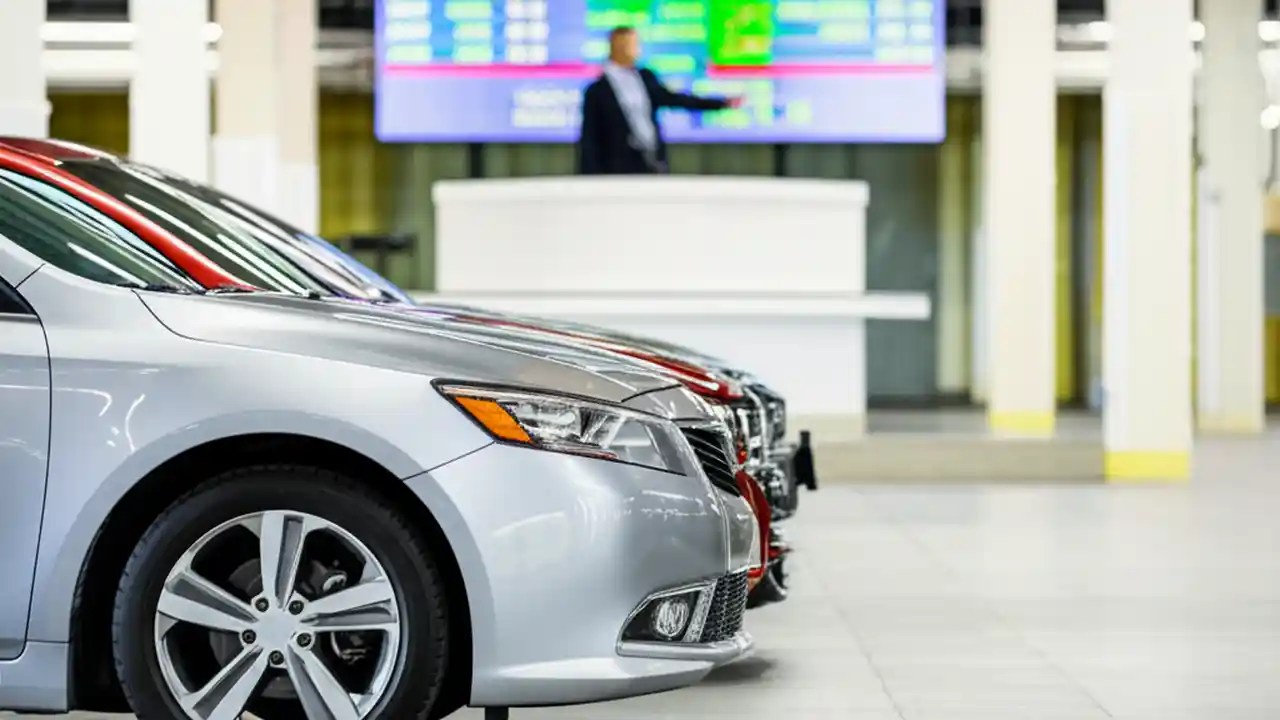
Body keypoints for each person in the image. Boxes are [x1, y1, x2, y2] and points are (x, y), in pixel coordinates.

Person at [577, 26, 740, 174]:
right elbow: (590, 139)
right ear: (617, 46)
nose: (637, 49)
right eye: (632, 44)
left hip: (651, 161)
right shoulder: (597, 91)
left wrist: (720, 103)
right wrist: (590, 176)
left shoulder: (645, 77)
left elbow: (675, 99)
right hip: (616, 168)